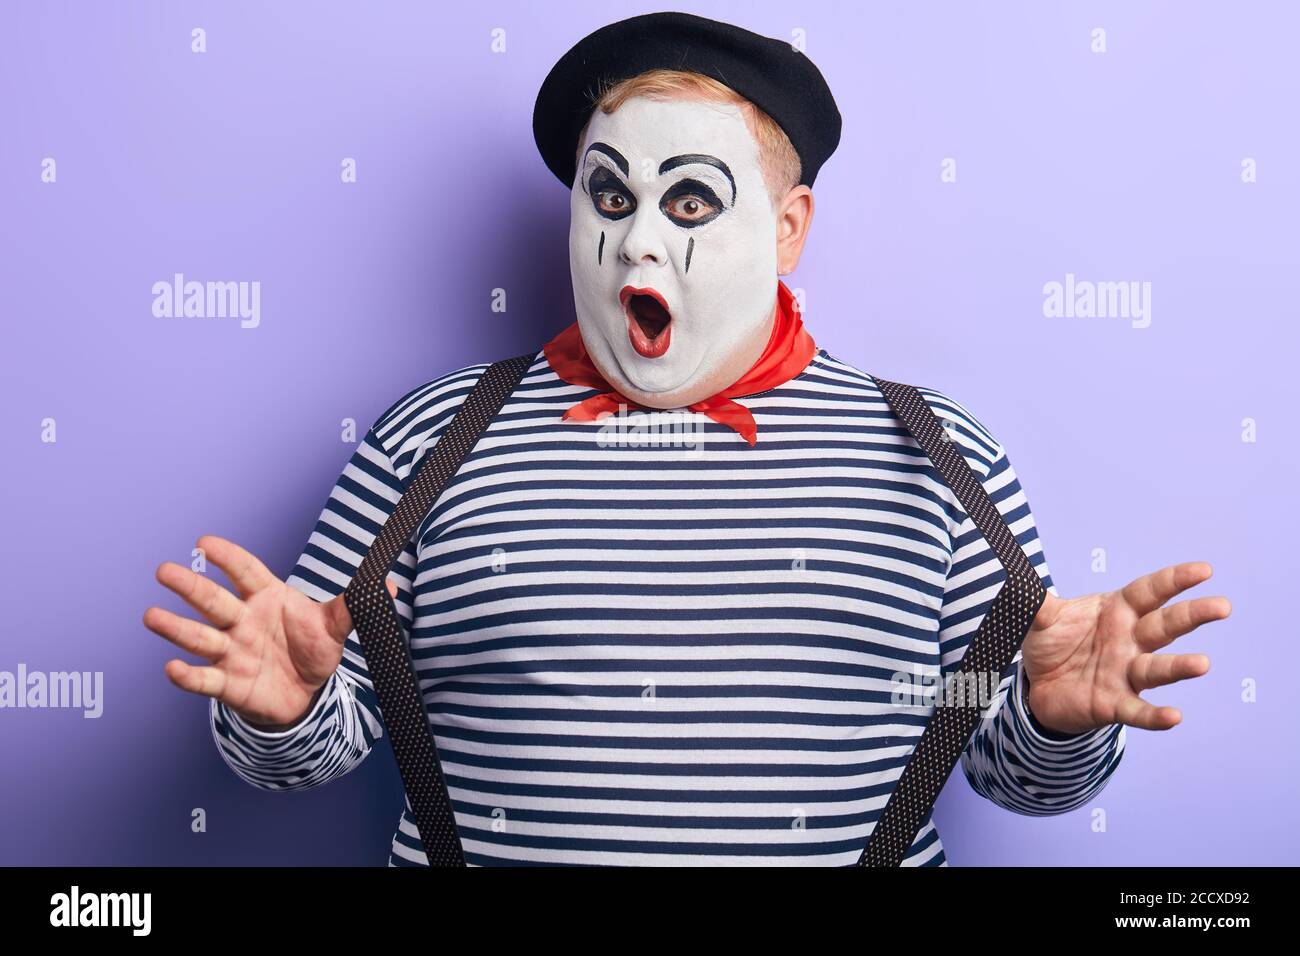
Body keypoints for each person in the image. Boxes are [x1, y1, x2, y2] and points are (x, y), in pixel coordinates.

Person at [143, 12, 1231, 866]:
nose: (634, 242)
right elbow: (320, 742)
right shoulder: (431, 439)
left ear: (789, 228)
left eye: (691, 202)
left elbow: (1002, 765)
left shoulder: (940, 457)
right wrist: (281, 715)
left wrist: (1048, 717)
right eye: (606, 194)